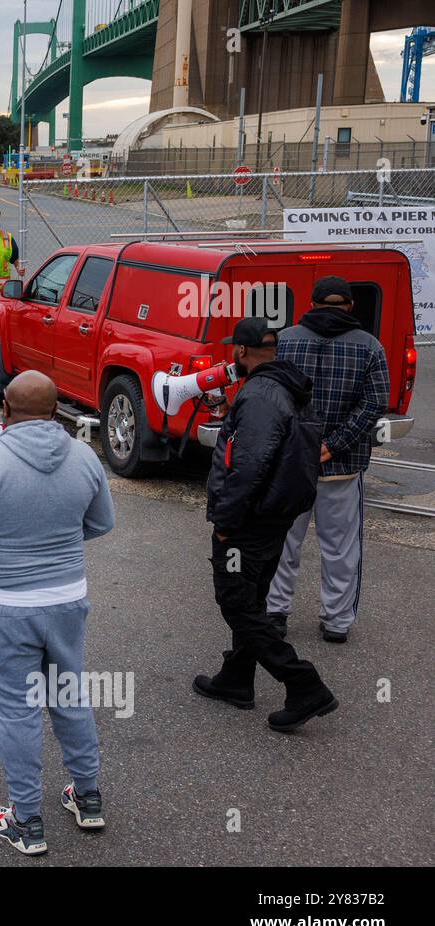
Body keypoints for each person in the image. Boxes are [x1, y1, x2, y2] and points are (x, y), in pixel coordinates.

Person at [0, 370, 115, 857]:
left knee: (17, 713)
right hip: (67, 602)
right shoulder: (84, 457)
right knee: (69, 696)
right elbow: (102, 522)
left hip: (6, 608)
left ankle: (26, 820)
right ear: (56, 410)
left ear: (6, 412)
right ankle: (88, 796)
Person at [195, 317, 338, 733]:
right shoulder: (287, 387)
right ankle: (237, 680)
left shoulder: (258, 395)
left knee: (236, 602)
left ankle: (303, 683)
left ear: (239, 352)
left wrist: (226, 522)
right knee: (252, 601)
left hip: (247, 525)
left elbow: (250, 464)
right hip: (274, 518)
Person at [267, 276, 389, 644]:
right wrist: (333, 445)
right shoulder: (370, 348)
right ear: (350, 306)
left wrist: (297, 444)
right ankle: (336, 622)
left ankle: (275, 613)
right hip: (342, 468)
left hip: (291, 465)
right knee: (340, 548)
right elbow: (373, 405)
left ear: (312, 304)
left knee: (284, 541)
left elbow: (272, 397)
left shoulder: (285, 340)